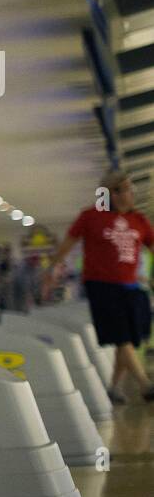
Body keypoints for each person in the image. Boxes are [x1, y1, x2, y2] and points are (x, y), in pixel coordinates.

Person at [46, 170, 154, 401]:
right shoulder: (91, 217)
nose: (132, 194)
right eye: (127, 189)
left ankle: (114, 388)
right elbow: (66, 245)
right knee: (121, 336)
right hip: (101, 285)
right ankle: (145, 384)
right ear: (113, 193)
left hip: (131, 287)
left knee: (126, 341)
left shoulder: (139, 220)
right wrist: (51, 270)